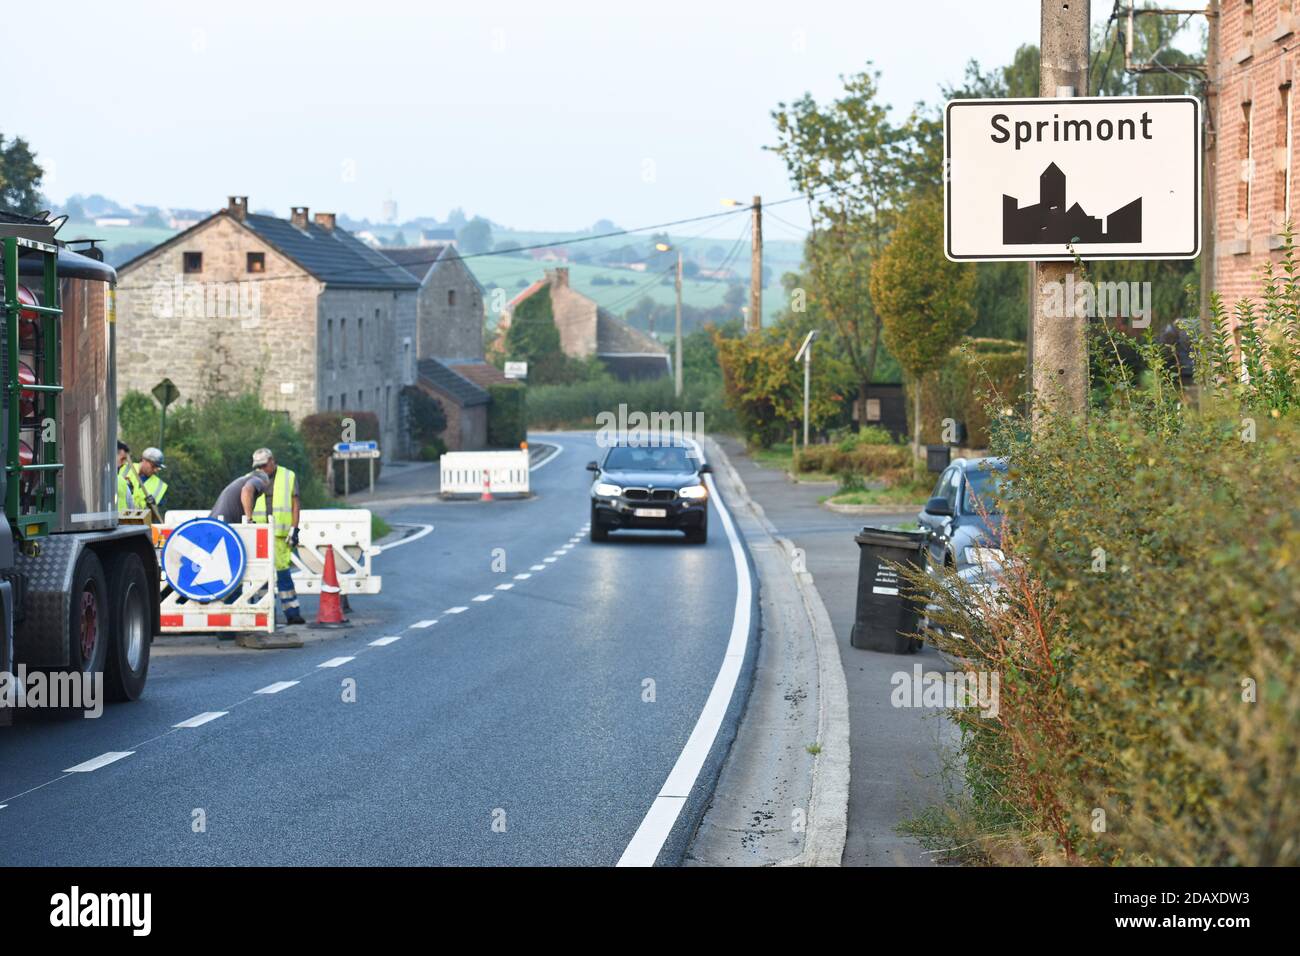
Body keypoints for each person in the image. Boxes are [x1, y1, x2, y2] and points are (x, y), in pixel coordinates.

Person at [250, 448, 304, 626]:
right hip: (258, 533)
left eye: (264, 465)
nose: (261, 469)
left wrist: (295, 529)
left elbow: (295, 504)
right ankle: (264, 614)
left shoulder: (288, 476)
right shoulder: (251, 478)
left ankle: (292, 613)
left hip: (280, 535)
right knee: (260, 576)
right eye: (258, 466)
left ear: (272, 461)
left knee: (283, 574)